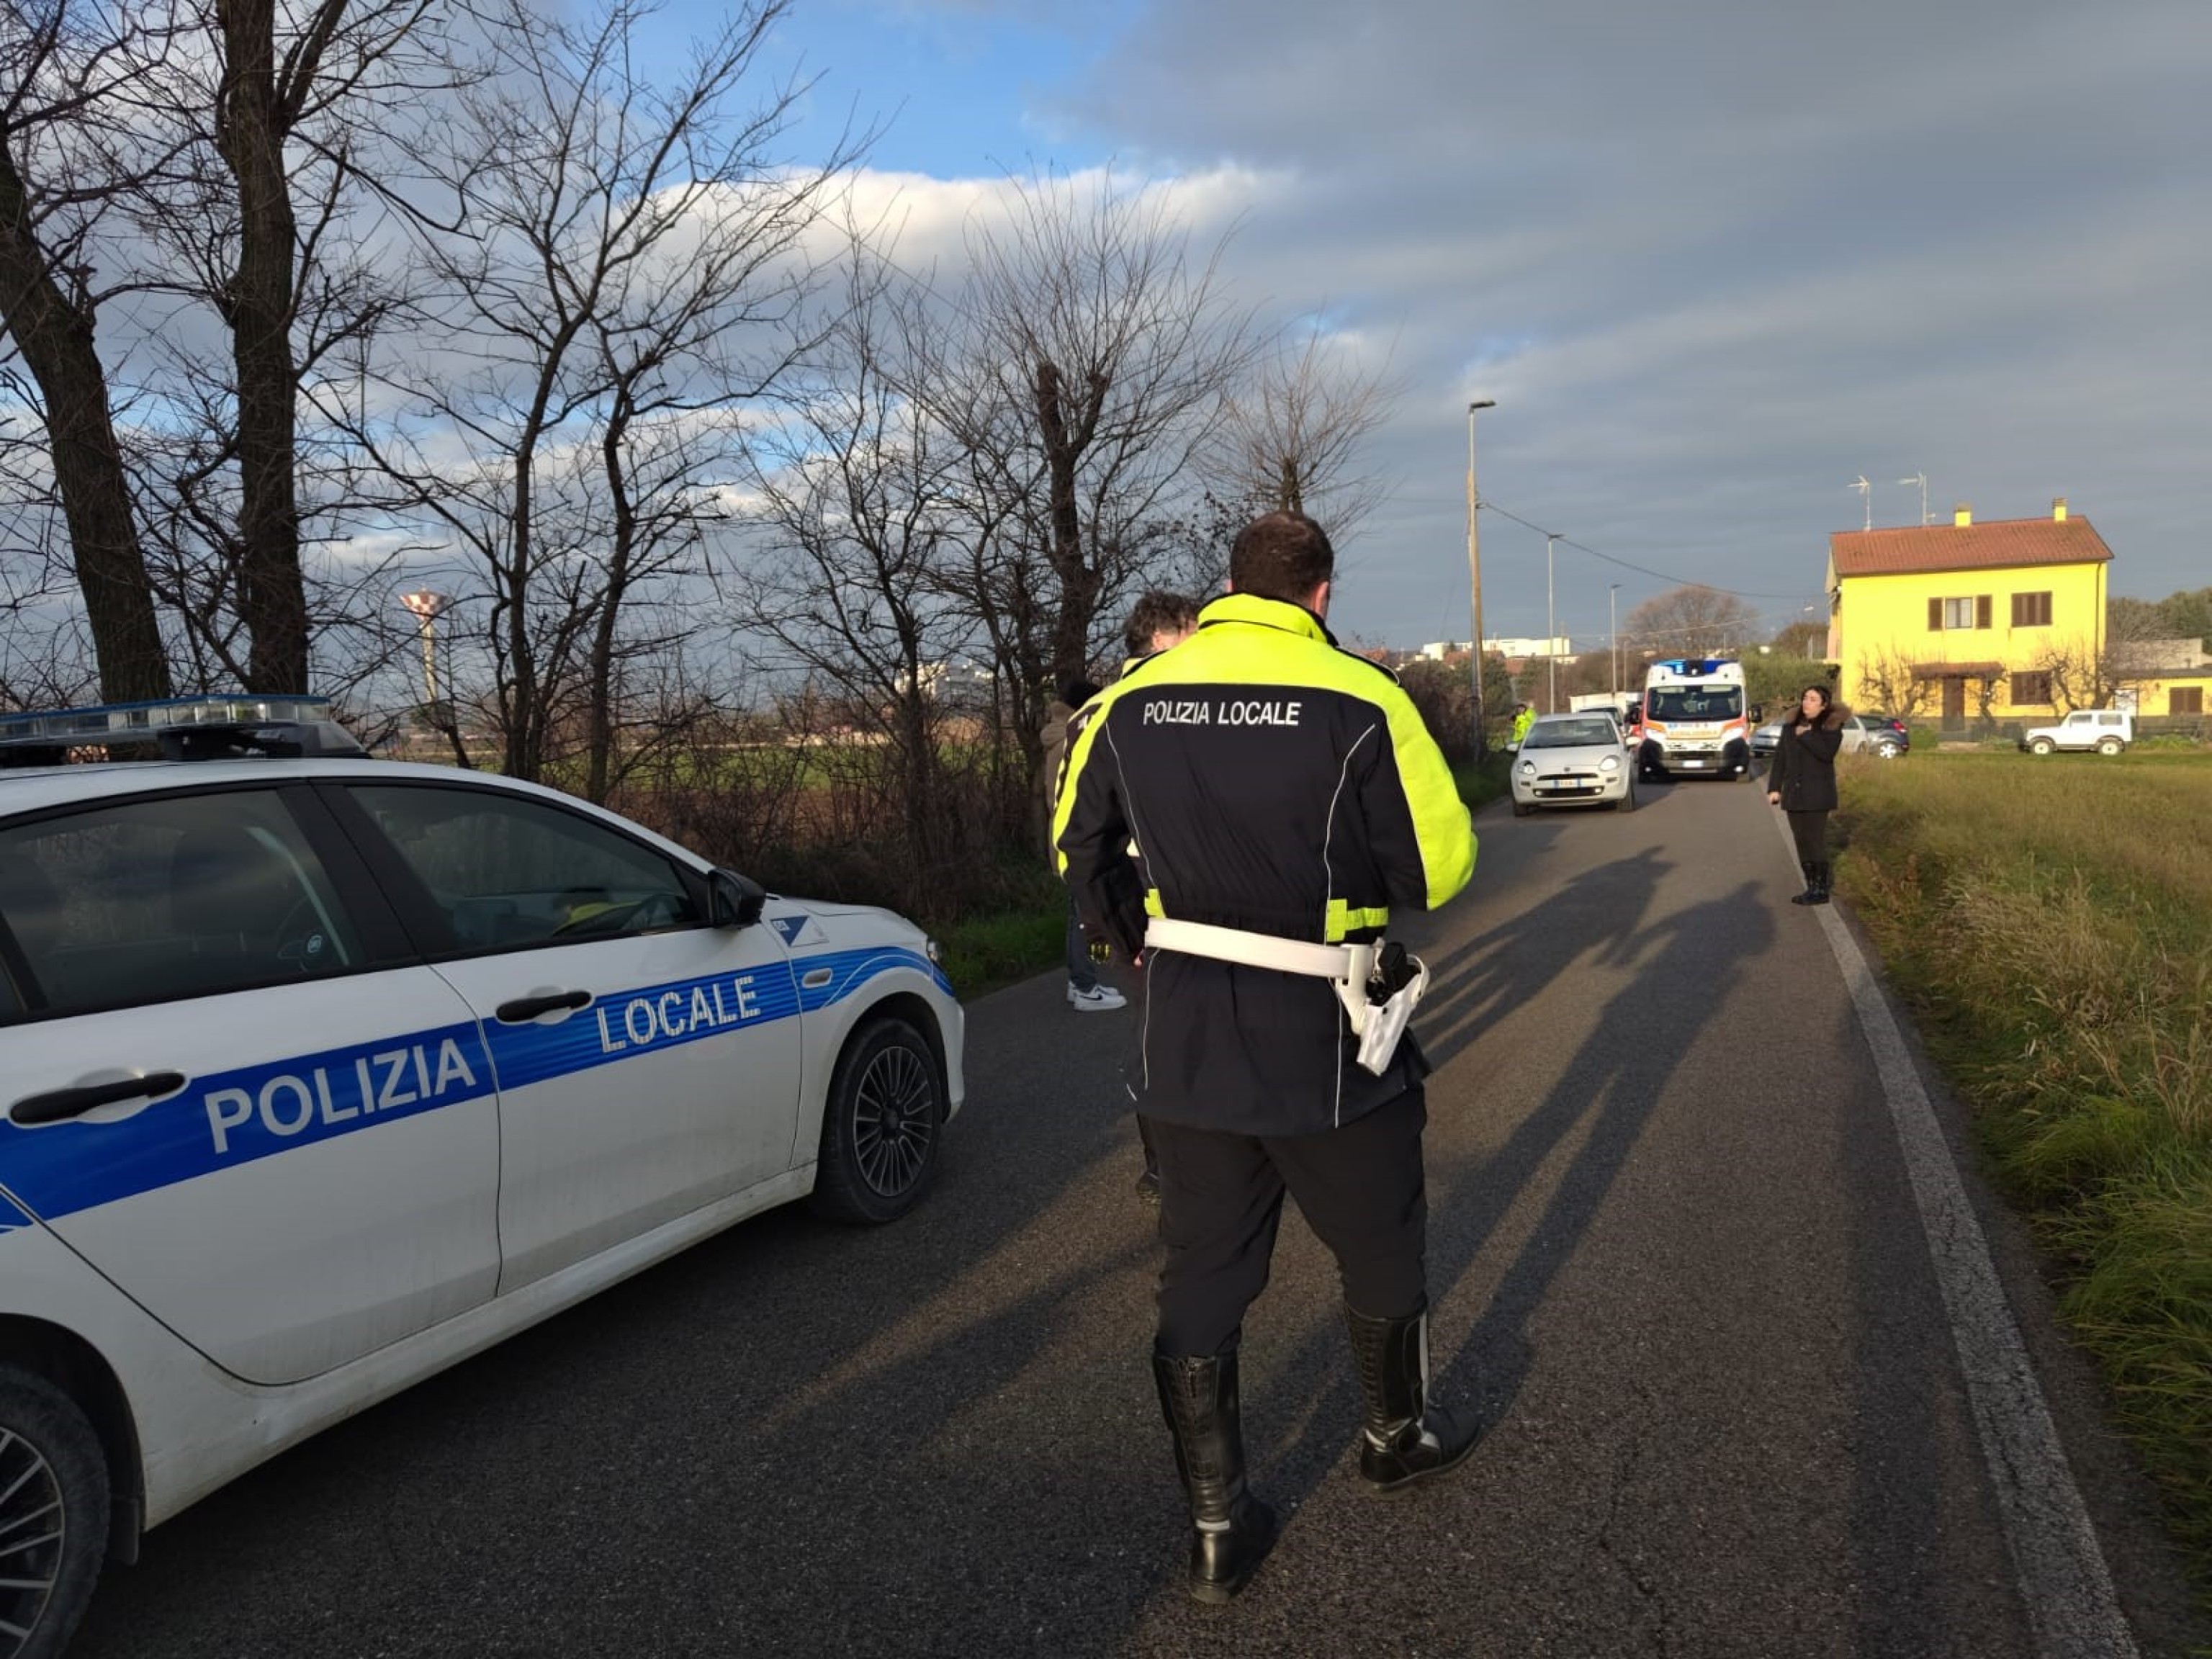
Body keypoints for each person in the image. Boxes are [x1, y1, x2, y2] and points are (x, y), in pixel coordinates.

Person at [1053, 512, 1480, 1604]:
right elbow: (1441, 863)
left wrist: (1137, 948)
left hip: (1184, 1034)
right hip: (1330, 1037)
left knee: (1201, 1272)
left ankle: (1214, 1525)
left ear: (1227, 589)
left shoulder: (1126, 699)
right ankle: (1393, 1439)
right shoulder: (1364, 695)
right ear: (1321, 595)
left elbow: (1075, 846)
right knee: (1381, 1242)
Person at [1116, 591, 1201, 1204]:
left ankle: (1172, 1166)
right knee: (1169, 1037)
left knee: (1171, 1033)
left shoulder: (1109, 706)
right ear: (1164, 636)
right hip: (1156, 896)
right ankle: (1168, 1170)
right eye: (1193, 632)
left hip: (1151, 899)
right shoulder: (1142, 709)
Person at [1040, 675, 1125, 1010]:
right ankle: (1085, 985)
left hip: (1064, 834)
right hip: (1076, 836)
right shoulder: (1072, 738)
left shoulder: (1058, 734)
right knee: (1083, 912)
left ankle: (1080, 983)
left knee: (1077, 908)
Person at [1766, 683, 1846, 905]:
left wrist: (1807, 736)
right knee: (1801, 841)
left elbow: (1826, 754)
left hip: (1818, 795)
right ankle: (1811, 886)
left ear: (1824, 705)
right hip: (1794, 794)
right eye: (1805, 698)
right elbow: (1780, 759)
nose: (1806, 702)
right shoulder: (1790, 727)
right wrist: (1774, 788)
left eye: (1812, 699)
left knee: (1814, 841)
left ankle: (1821, 889)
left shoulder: (1832, 727)